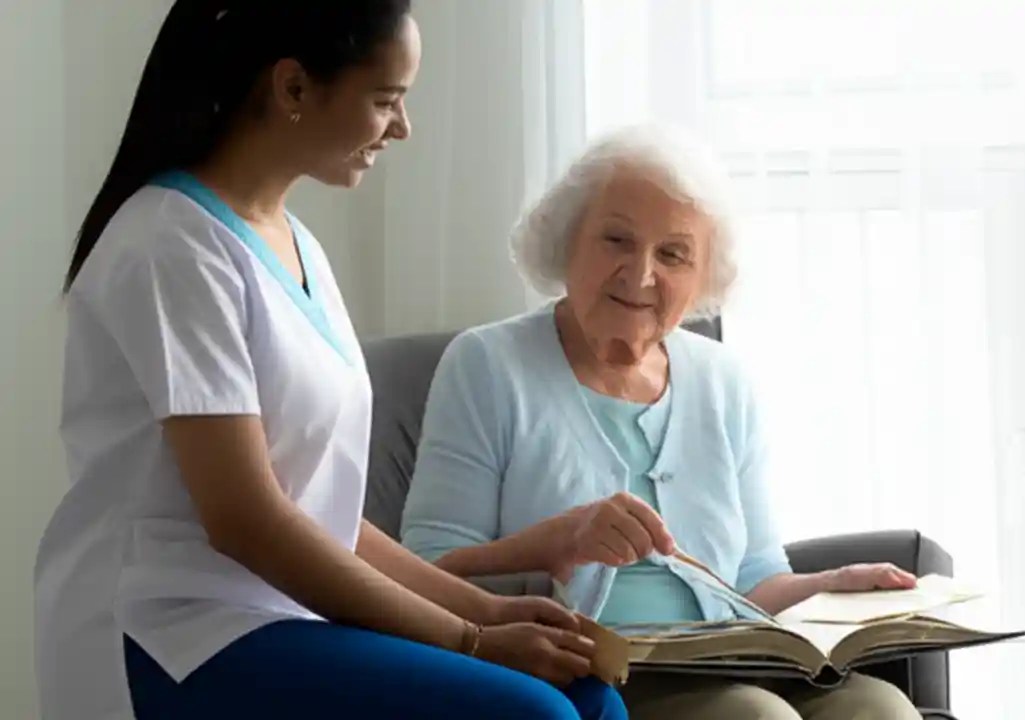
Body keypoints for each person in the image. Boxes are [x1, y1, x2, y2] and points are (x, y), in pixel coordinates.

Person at [34, 2, 626, 719]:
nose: (402, 128)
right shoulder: (170, 246)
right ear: (292, 88)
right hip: (174, 631)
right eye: (386, 100)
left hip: (280, 614)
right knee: (536, 713)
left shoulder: (296, 245)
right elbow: (247, 521)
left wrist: (489, 614)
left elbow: (323, 511)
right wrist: (470, 639)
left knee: (588, 694)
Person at [399, 124, 923, 719]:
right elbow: (423, 575)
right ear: (568, 240)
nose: (641, 274)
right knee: (753, 717)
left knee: (881, 707)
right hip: (580, 677)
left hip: (730, 663)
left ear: (702, 279)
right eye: (617, 240)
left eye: (672, 254)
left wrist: (832, 585)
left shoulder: (724, 381)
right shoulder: (488, 365)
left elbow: (754, 582)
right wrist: (554, 543)